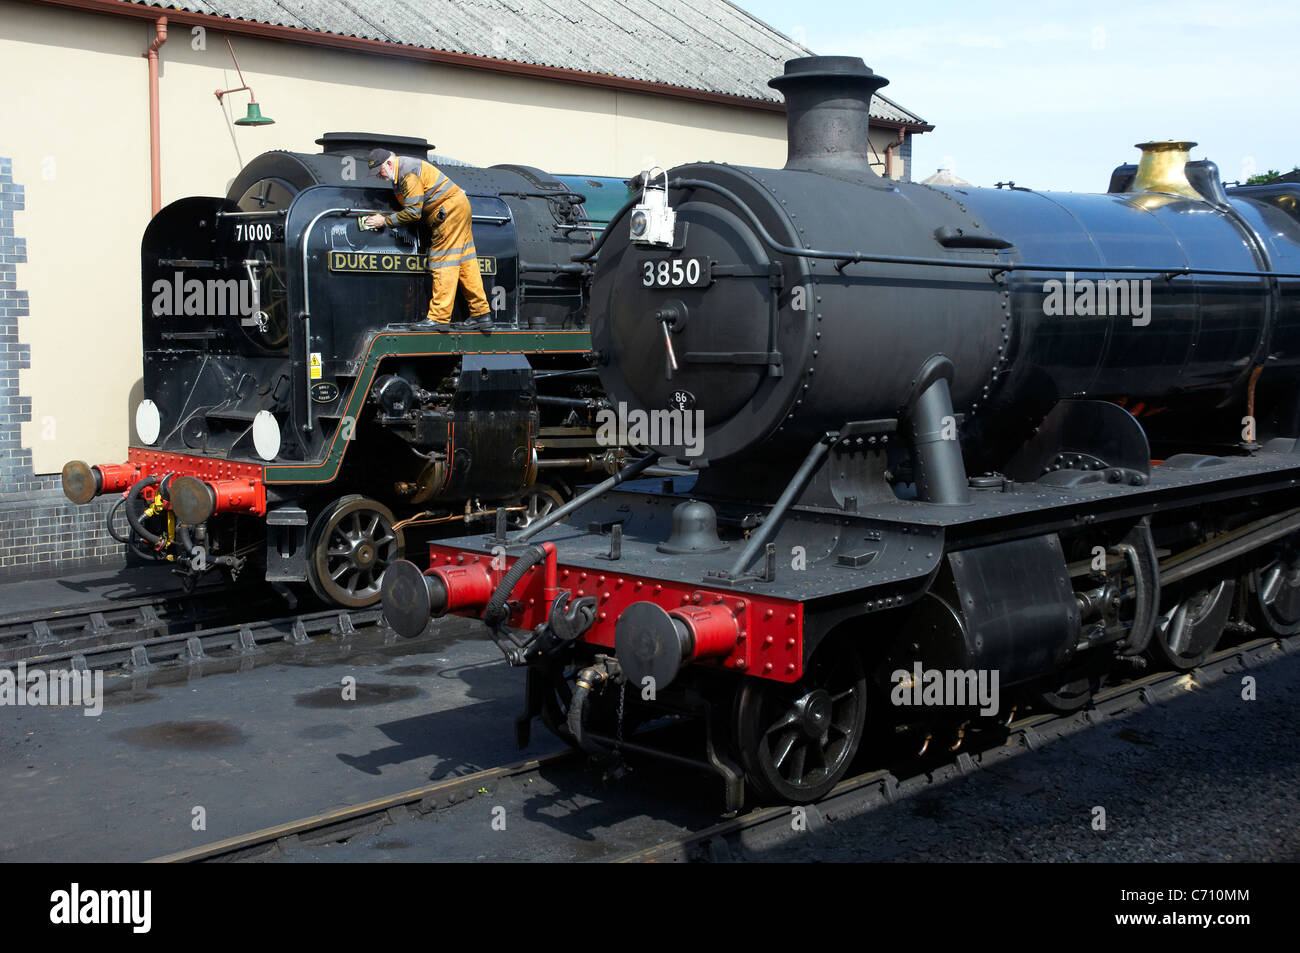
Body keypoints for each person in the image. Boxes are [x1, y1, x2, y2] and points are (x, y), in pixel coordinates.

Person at [363, 149, 492, 331]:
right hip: (458, 206)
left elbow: (414, 212)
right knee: (465, 261)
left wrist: (385, 220)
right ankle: (481, 315)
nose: (378, 175)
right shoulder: (405, 170)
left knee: (442, 261)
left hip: (447, 211)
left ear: (389, 164)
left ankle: (439, 317)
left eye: (379, 171)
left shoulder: (407, 174)